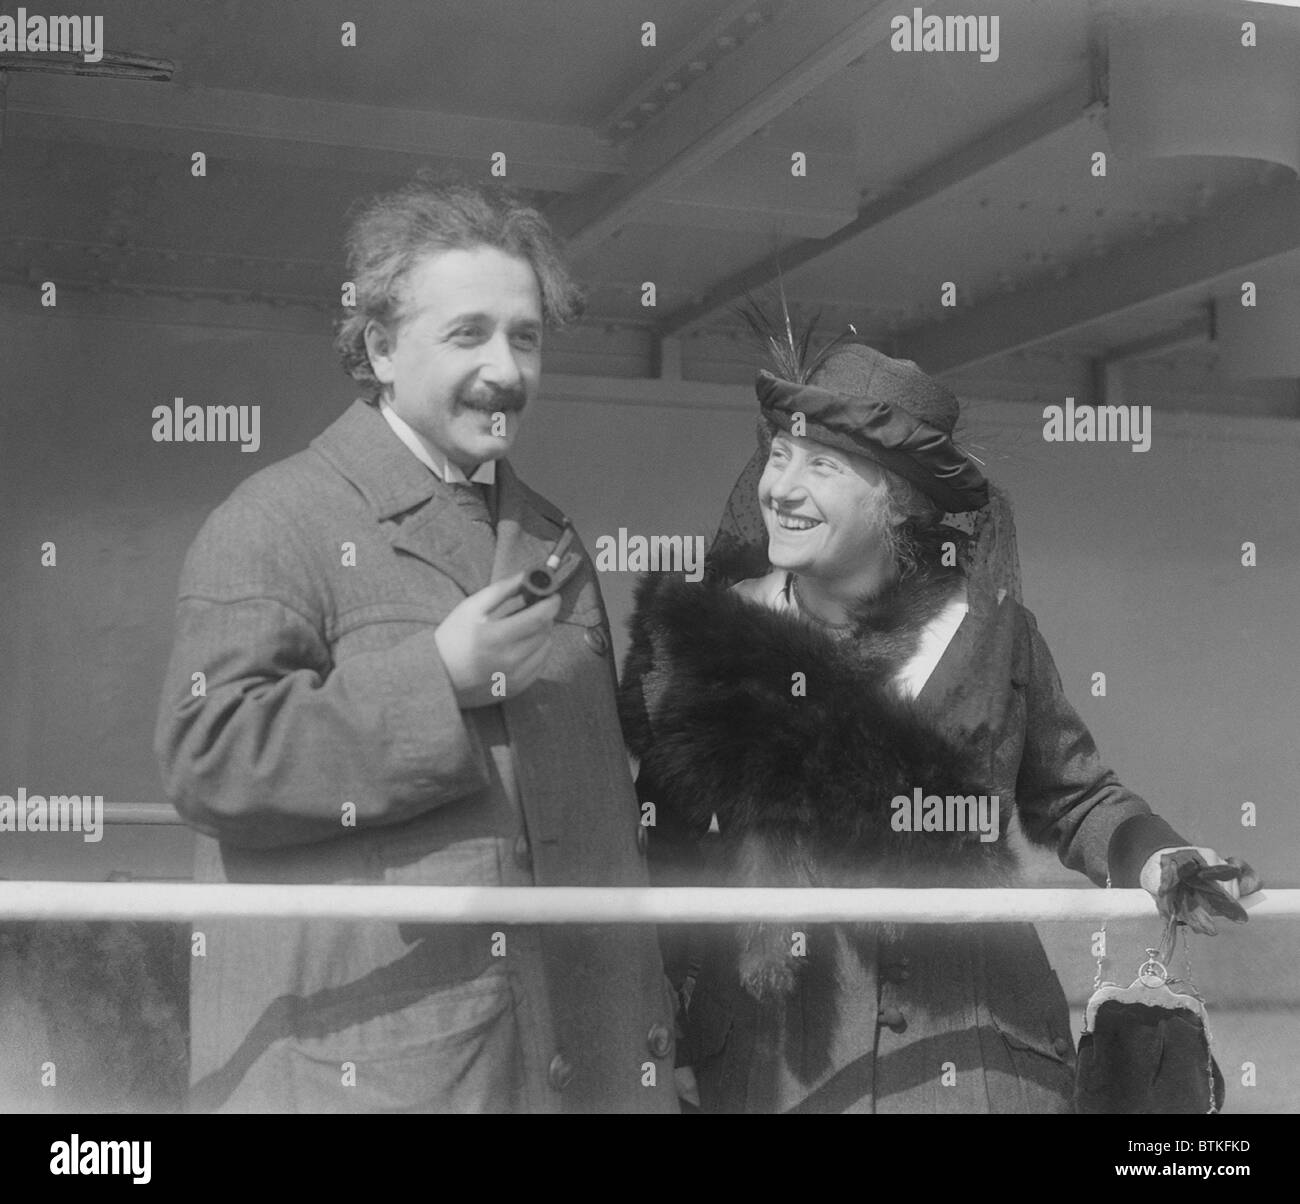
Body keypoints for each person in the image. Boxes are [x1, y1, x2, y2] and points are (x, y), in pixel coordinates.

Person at [618, 326, 1260, 1114]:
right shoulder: (710, 642)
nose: (781, 486)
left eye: (821, 464)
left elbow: (1076, 798)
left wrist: (1160, 858)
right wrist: (674, 1035)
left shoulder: (991, 636)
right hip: (777, 1071)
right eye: (779, 455)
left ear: (899, 501)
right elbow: (666, 859)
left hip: (983, 1065)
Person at [154, 178, 677, 1114]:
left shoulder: (553, 536)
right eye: (468, 334)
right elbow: (207, 755)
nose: (506, 369)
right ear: (381, 348)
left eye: (525, 336)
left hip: (577, 1060)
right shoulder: (278, 518)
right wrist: (438, 677)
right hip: (391, 1069)